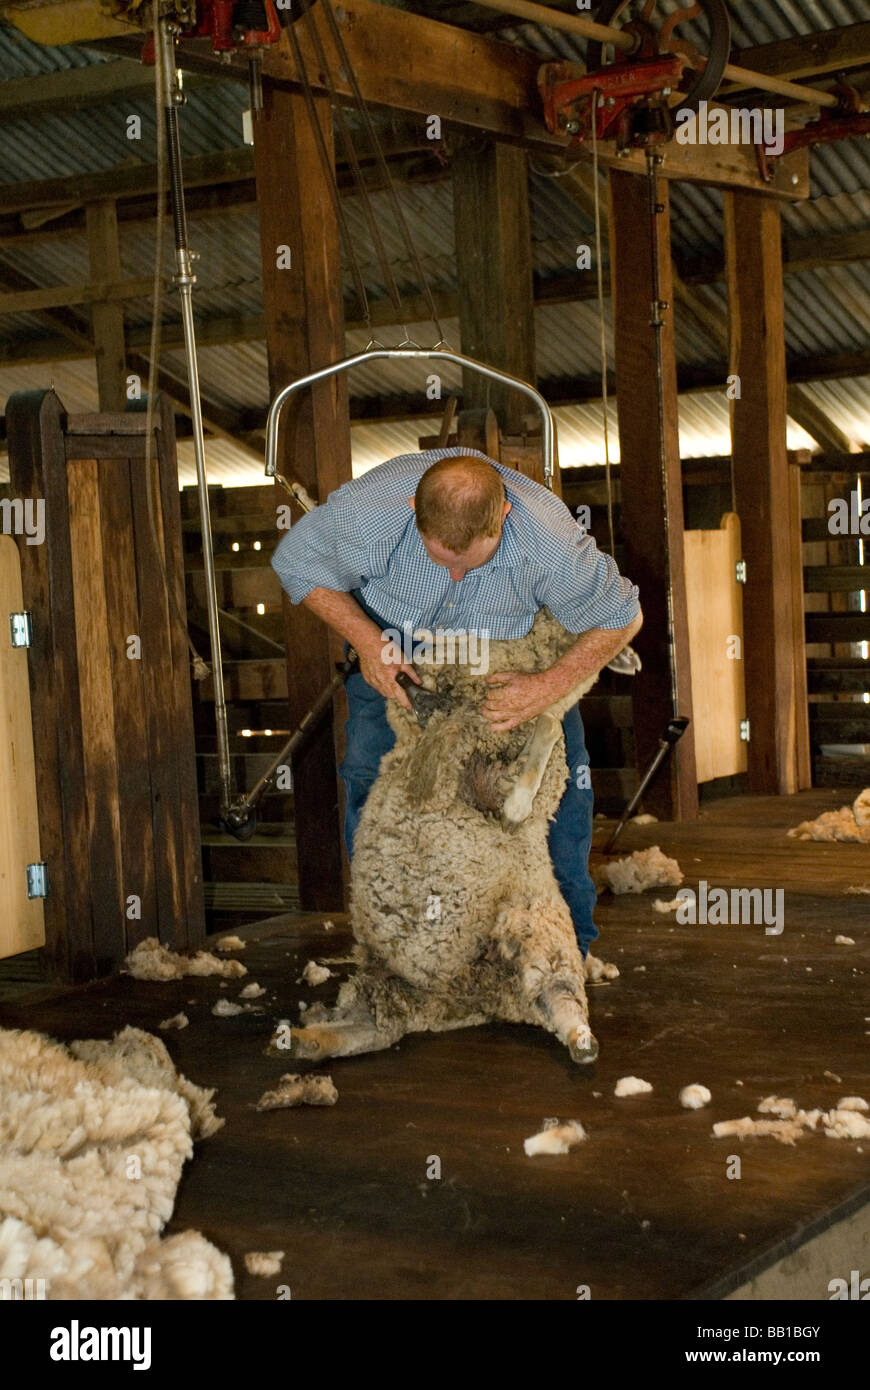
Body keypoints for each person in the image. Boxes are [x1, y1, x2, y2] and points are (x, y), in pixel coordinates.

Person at [271, 446, 642, 957]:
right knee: (374, 779)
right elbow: (295, 561)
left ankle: (563, 950)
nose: (456, 579)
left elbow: (622, 616)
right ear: (411, 510)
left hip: (509, 655)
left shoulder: (548, 536)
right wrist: (365, 640)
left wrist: (544, 687)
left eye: (474, 562)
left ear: (505, 515)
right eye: (441, 560)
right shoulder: (372, 509)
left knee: (554, 791)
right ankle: (401, 947)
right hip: (396, 643)